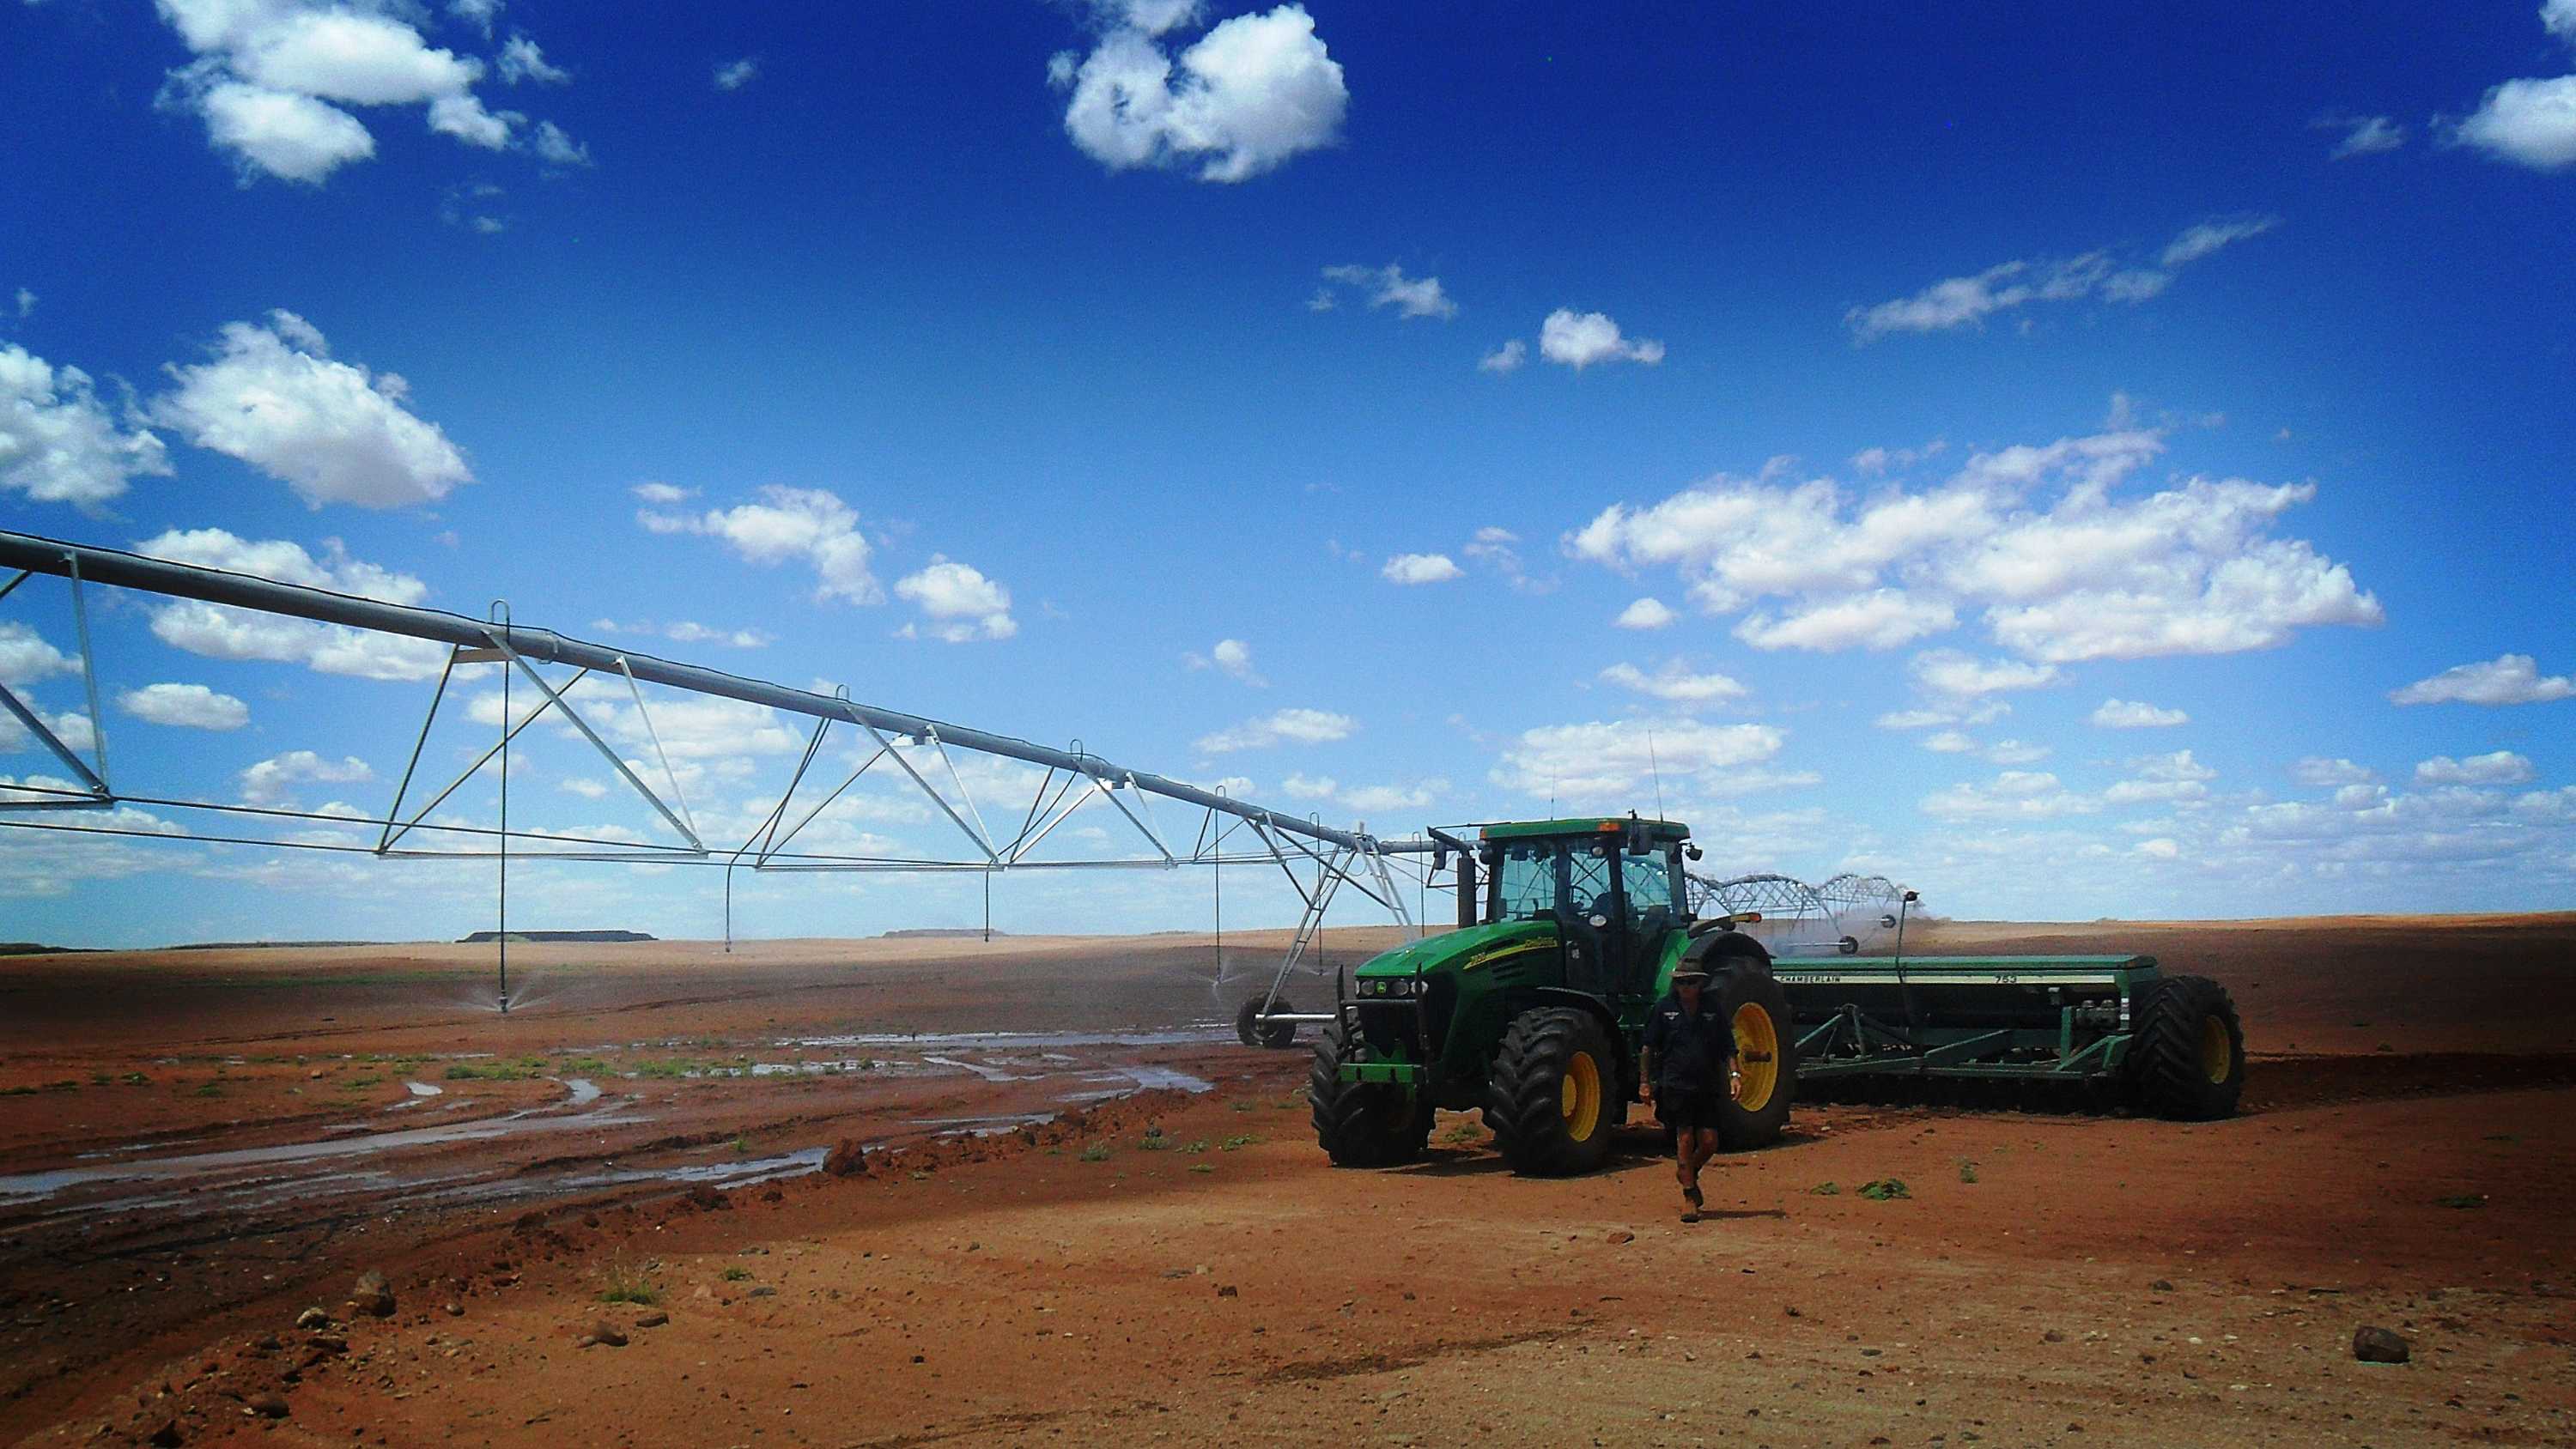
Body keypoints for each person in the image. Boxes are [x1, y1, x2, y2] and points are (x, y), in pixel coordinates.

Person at [1639, 965, 1740, 1222]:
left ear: (1701, 984)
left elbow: (1728, 1046)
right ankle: (1689, 1197)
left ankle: (1688, 1170)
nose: (1686, 987)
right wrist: (1645, 1082)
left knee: (1709, 1142)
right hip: (1675, 1084)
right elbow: (1648, 1047)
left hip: (1706, 1085)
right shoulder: (1664, 1009)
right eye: (1681, 982)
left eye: (1691, 982)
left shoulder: (1712, 1009)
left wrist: (1735, 1076)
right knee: (1684, 1138)